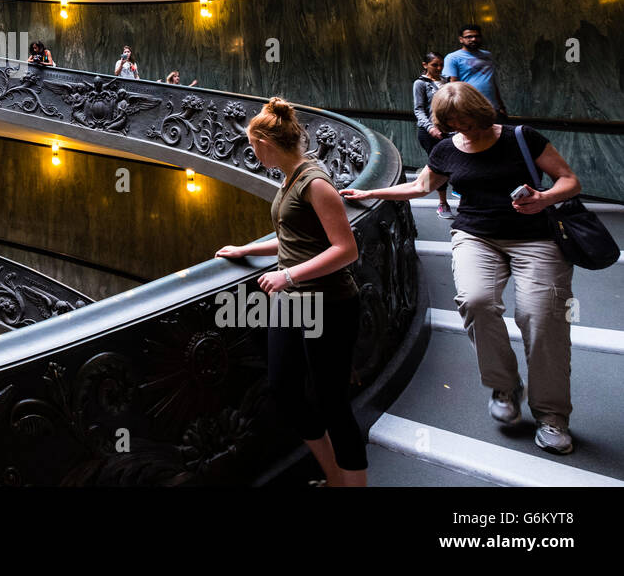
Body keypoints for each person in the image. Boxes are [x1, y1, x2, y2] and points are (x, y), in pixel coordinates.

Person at [341, 82, 581, 456]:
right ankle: (505, 386)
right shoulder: (445, 149)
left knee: (541, 316)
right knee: (476, 301)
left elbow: (569, 180)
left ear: (482, 111)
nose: (464, 128)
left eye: (468, 120)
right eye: (454, 123)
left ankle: (552, 416)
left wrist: (544, 198)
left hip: (535, 237)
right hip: (475, 236)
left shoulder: (521, 137)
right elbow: (421, 186)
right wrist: (371, 193)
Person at [215, 98, 365, 486]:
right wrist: (248, 249)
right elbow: (292, 237)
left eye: (252, 146)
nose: (251, 153)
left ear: (265, 142)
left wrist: (288, 276)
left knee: (332, 404)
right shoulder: (290, 178)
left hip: (327, 304)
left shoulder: (314, 182)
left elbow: (346, 249)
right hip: (293, 305)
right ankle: (333, 478)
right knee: (285, 389)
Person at [413, 51, 453, 218]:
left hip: (449, 130)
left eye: (441, 65)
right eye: (435, 65)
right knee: (439, 167)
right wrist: (431, 128)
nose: (439, 68)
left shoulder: (446, 81)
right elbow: (418, 109)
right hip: (430, 132)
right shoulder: (420, 83)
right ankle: (443, 203)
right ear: (425, 65)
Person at [443, 24, 507, 116]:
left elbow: (491, 82)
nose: (474, 39)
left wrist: (501, 106)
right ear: (461, 39)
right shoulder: (453, 57)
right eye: (469, 37)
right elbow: (452, 86)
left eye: (477, 36)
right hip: (469, 108)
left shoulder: (488, 55)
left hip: (493, 108)